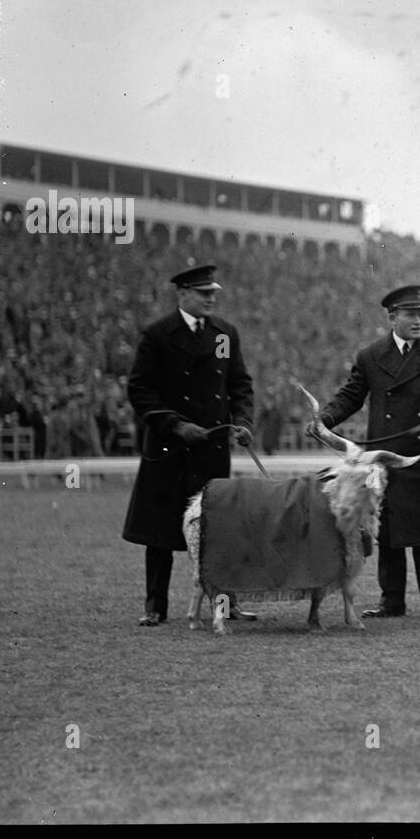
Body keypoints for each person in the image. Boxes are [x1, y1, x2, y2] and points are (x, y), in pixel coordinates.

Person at [318, 284, 420, 622]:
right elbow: (350, 397)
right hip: (383, 459)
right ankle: (392, 601)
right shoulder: (370, 356)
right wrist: (324, 419)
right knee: (389, 533)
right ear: (392, 317)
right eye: (411, 314)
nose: (418, 320)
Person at [121, 264, 256, 627]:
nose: (212, 298)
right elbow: (140, 390)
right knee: (161, 532)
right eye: (203, 292)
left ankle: (225, 604)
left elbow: (240, 385)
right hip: (169, 448)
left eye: (213, 292)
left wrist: (242, 423)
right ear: (182, 294)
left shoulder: (225, 334)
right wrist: (176, 425)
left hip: (211, 449)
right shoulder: (157, 334)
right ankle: (155, 606)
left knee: (218, 530)